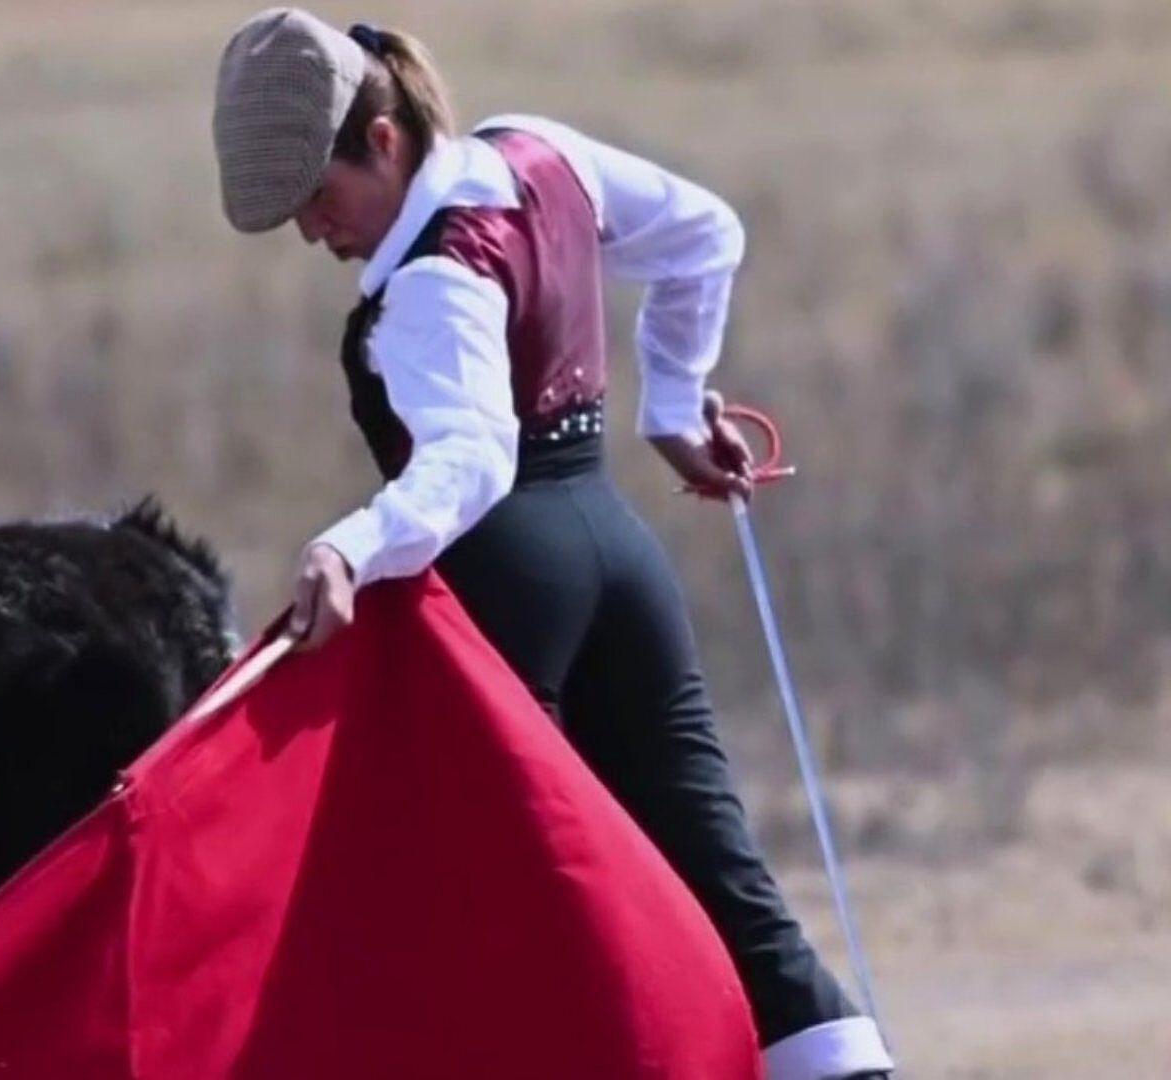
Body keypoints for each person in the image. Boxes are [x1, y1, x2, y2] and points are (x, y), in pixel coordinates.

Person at [211, 10, 894, 1080]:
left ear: (382, 141)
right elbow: (706, 234)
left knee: (501, 922)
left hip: (506, 598)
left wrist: (350, 547)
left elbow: (474, 458)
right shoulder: (539, 153)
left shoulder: (430, 281)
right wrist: (671, 405)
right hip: (620, 562)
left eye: (317, 196)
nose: (310, 231)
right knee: (725, 885)